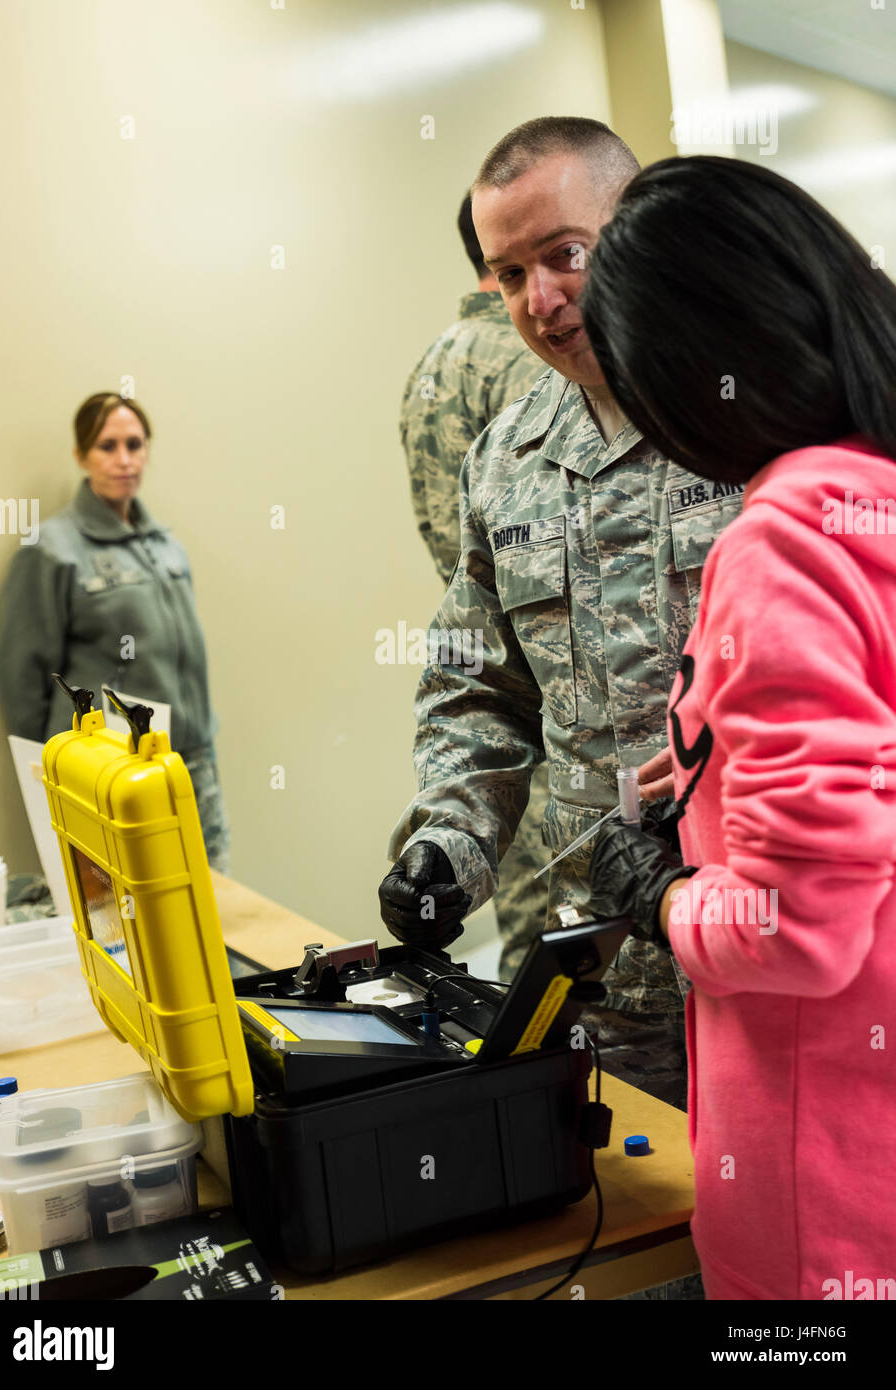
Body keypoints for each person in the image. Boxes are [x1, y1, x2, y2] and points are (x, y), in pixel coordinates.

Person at [379, 117, 743, 1111]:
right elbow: (475, 682)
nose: (539, 301)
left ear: (635, 227)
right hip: (600, 964)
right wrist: (448, 844)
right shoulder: (506, 457)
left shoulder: (756, 407)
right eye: (507, 274)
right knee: (630, 1245)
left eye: (564, 255)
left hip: (770, 944)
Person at [583, 155, 896, 1300]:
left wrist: (661, 896)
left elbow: (801, 928)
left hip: (830, 1194)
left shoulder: (784, 541)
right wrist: (719, 775)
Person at [400, 191, 548, 978]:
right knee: (562, 923)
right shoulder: (532, 363)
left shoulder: (432, 364)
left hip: (493, 645)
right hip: (549, 679)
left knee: (528, 925)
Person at [0, 392, 230, 872]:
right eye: (107, 446)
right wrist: (55, 774)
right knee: (130, 919)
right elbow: (21, 678)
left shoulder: (165, 544)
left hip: (189, 762)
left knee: (211, 905)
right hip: (115, 773)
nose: (123, 460)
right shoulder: (52, 549)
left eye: (134, 444)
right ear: (81, 455)